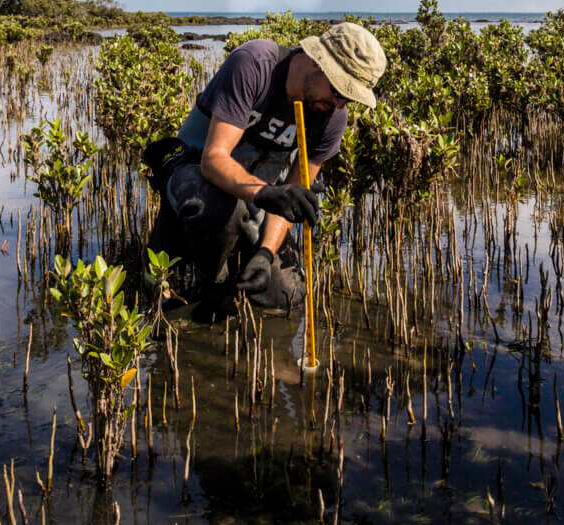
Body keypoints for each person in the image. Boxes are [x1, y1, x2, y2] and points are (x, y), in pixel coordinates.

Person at [145, 21, 386, 314]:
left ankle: (237, 260)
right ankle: (199, 275)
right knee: (219, 208)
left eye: (348, 97)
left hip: (253, 196)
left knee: (286, 293)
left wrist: (264, 253)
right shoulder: (255, 65)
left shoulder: (332, 118)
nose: (339, 103)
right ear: (315, 61)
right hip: (194, 174)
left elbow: (294, 193)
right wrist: (267, 195)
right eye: (338, 90)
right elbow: (214, 160)